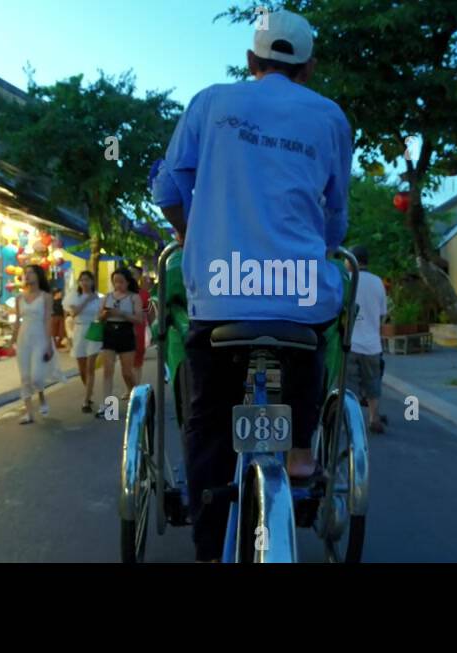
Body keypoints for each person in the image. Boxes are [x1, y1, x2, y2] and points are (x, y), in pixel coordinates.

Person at [151, 10, 352, 562]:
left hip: (219, 294)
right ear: (308, 67)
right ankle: (301, 451)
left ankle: (209, 544)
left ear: (250, 61)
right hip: (298, 295)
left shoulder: (210, 102)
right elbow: (336, 221)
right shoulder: (331, 117)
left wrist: (192, 232)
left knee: (209, 414)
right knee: (308, 353)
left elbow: (169, 186)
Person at [345, 245, 388, 433]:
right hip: (372, 345)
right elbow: (382, 315)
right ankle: (373, 418)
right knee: (373, 384)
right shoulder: (378, 282)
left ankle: (351, 423)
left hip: (350, 343)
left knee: (349, 387)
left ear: (351, 260)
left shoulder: (347, 279)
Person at [95, 268, 143, 418]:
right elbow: (99, 317)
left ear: (128, 282)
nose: (118, 285)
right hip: (109, 331)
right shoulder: (107, 297)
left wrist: (122, 313)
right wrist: (104, 314)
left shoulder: (134, 297)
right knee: (108, 370)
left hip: (126, 332)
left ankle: (136, 396)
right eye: (115, 281)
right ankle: (109, 407)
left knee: (127, 371)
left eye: (121, 281)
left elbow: (139, 319)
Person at [13, 264, 57, 424]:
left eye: (31, 272)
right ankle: (29, 412)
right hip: (24, 338)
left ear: (38, 276)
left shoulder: (46, 297)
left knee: (36, 376)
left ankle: (41, 395)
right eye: (26, 273)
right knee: (25, 376)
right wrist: (12, 340)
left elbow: (47, 320)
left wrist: (48, 344)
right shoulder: (19, 298)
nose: (28, 275)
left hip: (40, 337)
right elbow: (17, 321)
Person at [69, 270, 102, 413]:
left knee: (90, 368)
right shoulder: (73, 297)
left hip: (92, 331)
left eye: (87, 279)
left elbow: (101, 315)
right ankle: (89, 391)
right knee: (81, 369)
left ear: (92, 281)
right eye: (82, 280)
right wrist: (87, 300)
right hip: (79, 331)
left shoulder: (99, 298)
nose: (84, 282)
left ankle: (86, 399)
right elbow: (73, 313)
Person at [130, 265, 154, 385]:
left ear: (139, 276)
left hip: (139, 331)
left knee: (137, 362)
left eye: (133, 273)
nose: (131, 276)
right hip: (123, 332)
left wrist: (154, 330)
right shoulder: (119, 294)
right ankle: (130, 387)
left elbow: (150, 314)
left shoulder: (145, 295)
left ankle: (135, 388)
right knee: (127, 362)